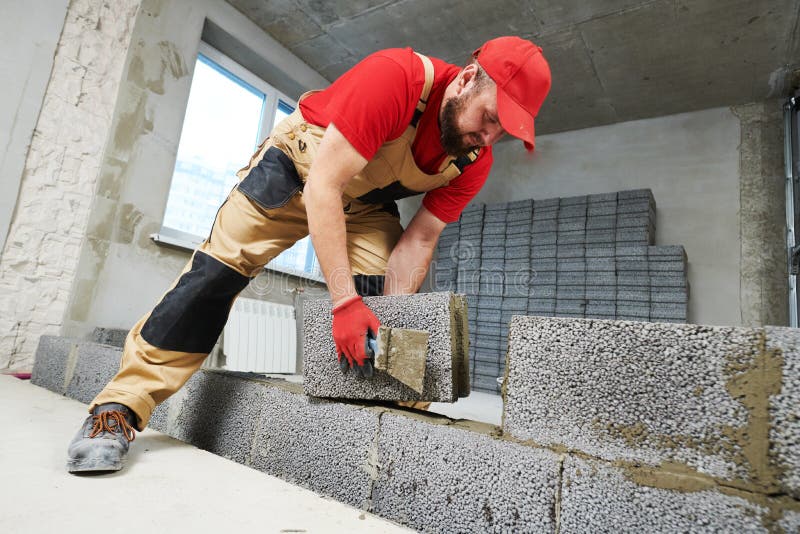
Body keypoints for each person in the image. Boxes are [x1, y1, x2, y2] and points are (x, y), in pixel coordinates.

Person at [66, 36, 551, 473]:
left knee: (379, 302)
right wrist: (343, 302)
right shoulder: (398, 78)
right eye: (489, 118)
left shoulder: (471, 160)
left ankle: (374, 417)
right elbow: (324, 183)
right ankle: (119, 407)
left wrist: (388, 326)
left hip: (363, 202)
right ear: (466, 80)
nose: (489, 138)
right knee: (215, 278)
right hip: (297, 169)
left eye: (503, 131)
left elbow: (419, 241)